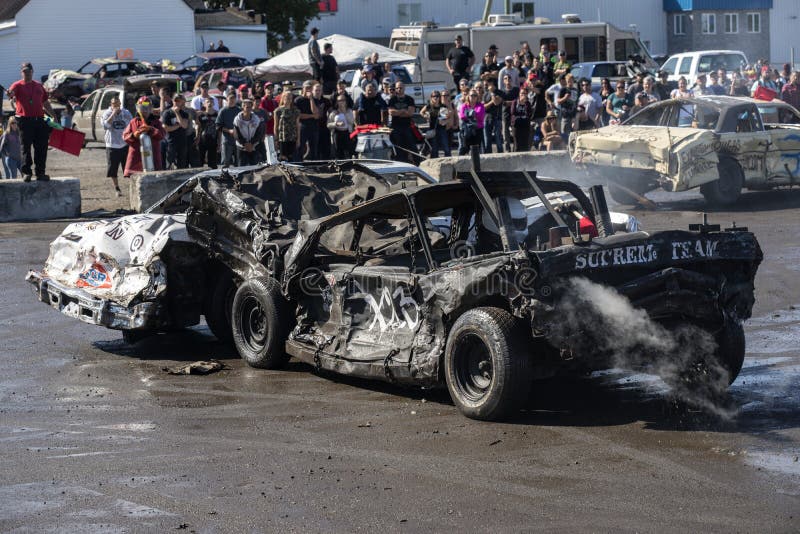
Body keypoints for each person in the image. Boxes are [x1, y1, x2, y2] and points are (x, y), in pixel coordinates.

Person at [7, 62, 54, 182]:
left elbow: (45, 102)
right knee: (25, 147)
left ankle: (40, 173)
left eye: (28, 71)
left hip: (40, 119)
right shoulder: (17, 85)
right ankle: (26, 173)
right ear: (21, 73)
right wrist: (10, 93)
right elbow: (11, 93)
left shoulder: (39, 86)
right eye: (24, 72)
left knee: (42, 147)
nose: (26, 73)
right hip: (24, 120)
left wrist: (53, 115)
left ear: (32, 72)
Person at [123, 97, 165, 178]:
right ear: (138, 109)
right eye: (142, 108)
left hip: (153, 155)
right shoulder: (133, 122)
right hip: (136, 157)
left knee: (154, 179)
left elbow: (162, 135)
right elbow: (125, 136)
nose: (144, 110)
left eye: (147, 108)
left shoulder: (156, 122)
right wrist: (134, 135)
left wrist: (151, 129)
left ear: (151, 109)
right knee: (136, 180)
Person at [100, 96, 132, 196]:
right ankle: (117, 188)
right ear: (111, 104)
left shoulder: (126, 113)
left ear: (120, 104)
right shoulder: (107, 113)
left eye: (118, 103)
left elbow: (131, 125)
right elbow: (105, 126)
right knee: (113, 169)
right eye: (114, 104)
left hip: (124, 144)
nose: (116, 106)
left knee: (128, 168)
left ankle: (132, 188)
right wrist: (113, 114)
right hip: (112, 144)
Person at [388, 82, 417, 163]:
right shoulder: (392, 100)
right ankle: (401, 163)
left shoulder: (409, 99)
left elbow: (410, 113)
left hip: (407, 126)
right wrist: (403, 111)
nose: (399, 89)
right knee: (398, 146)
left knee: (411, 145)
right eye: (397, 88)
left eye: (400, 88)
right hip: (396, 126)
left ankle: (416, 162)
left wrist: (398, 113)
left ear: (404, 88)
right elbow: (391, 112)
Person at [161, 93, 190, 169]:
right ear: (172, 101)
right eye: (175, 100)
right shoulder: (167, 113)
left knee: (182, 164)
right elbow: (166, 128)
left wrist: (177, 113)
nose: (177, 102)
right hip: (171, 142)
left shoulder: (184, 113)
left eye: (179, 101)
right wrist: (178, 125)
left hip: (182, 142)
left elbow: (184, 125)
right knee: (168, 162)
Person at [420, 91, 452, 158]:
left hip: (442, 129)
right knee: (434, 148)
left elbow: (449, 118)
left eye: (437, 96)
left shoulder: (443, 106)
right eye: (433, 96)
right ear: (431, 97)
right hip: (433, 129)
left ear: (439, 97)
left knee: (446, 147)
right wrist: (425, 116)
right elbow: (421, 112)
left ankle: (449, 160)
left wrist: (444, 122)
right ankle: (434, 162)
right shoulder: (429, 106)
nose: (435, 98)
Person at [232, 98, 264, 166]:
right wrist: (245, 144)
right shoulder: (237, 120)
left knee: (255, 167)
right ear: (242, 107)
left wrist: (252, 143)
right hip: (241, 147)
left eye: (250, 107)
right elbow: (236, 134)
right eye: (246, 107)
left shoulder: (256, 119)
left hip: (253, 146)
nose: (248, 109)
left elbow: (259, 133)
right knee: (241, 167)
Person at [295, 81, 320, 161]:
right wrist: (311, 116)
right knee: (300, 147)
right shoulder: (298, 100)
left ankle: (314, 164)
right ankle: (299, 163)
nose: (308, 90)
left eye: (310, 88)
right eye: (307, 88)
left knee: (314, 148)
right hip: (302, 127)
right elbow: (299, 115)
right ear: (303, 88)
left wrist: (311, 99)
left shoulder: (315, 100)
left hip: (313, 127)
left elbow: (316, 113)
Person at [216, 92, 241, 166]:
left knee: (239, 163)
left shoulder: (239, 110)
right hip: (227, 140)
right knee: (225, 163)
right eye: (230, 98)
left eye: (234, 98)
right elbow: (218, 126)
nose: (232, 100)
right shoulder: (223, 111)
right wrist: (229, 131)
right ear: (227, 99)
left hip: (238, 141)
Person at [327, 93, 355, 159]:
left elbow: (352, 122)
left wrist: (344, 112)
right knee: (338, 152)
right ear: (337, 102)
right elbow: (328, 124)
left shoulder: (349, 111)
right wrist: (335, 124)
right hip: (337, 133)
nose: (341, 102)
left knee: (348, 152)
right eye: (339, 100)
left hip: (347, 133)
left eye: (343, 100)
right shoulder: (334, 113)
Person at [274, 91, 300, 162]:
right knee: (283, 158)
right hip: (282, 138)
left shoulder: (296, 111)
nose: (288, 99)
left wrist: (298, 139)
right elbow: (276, 126)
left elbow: (297, 126)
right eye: (287, 97)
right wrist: (276, 140)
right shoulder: (278, 111)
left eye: (290, 98)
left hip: (292, 137)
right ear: (283, 98)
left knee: (292, 157)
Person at [457, 89, 485, 155]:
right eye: (471, 95)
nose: (473, 97)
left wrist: (468, 114)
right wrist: (473, 115)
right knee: (465, 148)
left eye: (475, 95)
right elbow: (462, 116)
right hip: (467, 130)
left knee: (476, 148)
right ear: (468, 96)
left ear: (477, 97)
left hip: (477, 129)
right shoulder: (464, 105)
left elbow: (480, 116)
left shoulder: (480, 105)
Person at [196, 97, 218, 169]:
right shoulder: (201, 115)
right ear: (204, 104)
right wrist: (197, 138)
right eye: (207, 102)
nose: (209, 103)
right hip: (202, 140)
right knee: (200, 161)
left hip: (213, 140)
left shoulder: (217, 115)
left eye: (211, 102)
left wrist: (219, 141)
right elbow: (198, 127)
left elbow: (219, 129)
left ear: (213, 103)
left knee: (213, 163)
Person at [312, 82, 332, 159]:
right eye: (316, 90)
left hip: (324, 126)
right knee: (315, 147)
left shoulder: (326, 101)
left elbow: (331, 111)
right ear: (313, 91)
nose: (318, 92)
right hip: (313, 127)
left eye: (319, 90)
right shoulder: (310, 101)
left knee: (326, 146)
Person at [483, 80, 503, 153]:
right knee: (487, 139)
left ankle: (500, 153)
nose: (487, 86)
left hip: (497, 118)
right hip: (487, 118)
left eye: (489, 84)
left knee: (498, 138)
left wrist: (492, 93)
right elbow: (484, 107)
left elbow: (496, 102)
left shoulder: (500, 93)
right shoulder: (485, 94)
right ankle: (488, 153)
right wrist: (491, 101)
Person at [557, 75, 577, 141]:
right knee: (565, 134)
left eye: (571, 81)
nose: (570, 82)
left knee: (574, 134)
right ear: (566, 81)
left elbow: (577, 102)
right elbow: (558, 101)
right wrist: (565, 98)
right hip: (565, 115)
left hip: (574, 115)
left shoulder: (576, 90)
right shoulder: (563, 89)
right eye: (568, 81)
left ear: (573, 81)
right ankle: (565, 145)